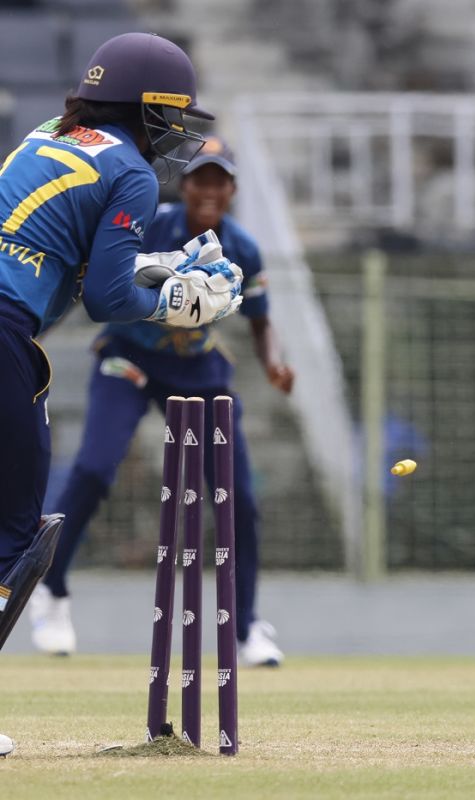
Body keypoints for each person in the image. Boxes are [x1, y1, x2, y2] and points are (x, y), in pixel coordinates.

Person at [0, 32, 241, 754]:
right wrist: (181, 301)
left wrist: (160, 264)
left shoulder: (50, 134)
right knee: (19, 535)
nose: (177, 134)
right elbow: (106, 296)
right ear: (149, 108)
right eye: (173, 117)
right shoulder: (133, 171)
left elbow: (66, 254)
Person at [27, 137, 293, 667]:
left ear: (233, 189)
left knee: (237, 497)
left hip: (199, 371)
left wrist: (273, 362)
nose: (209, 190)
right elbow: (99, 284)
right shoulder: (152, 224)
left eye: (220, 181)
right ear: (186, 184)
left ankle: (243, 628)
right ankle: (51, 593)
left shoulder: (242, 246)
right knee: (94, 470)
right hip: (130, 361)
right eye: (201, 179)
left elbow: (261, 320)